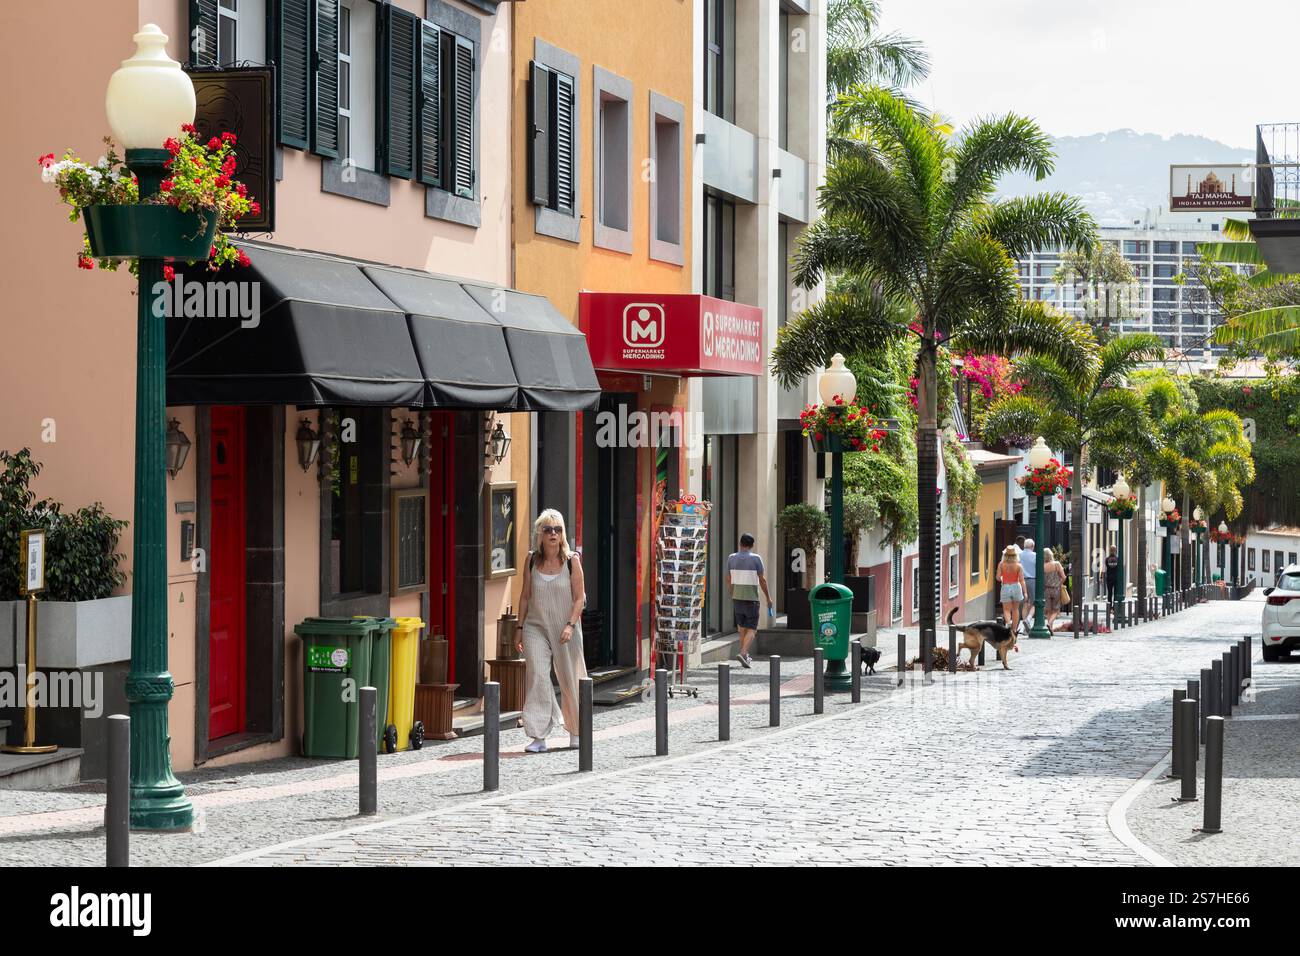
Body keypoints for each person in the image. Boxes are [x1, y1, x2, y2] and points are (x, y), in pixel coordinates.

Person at [516, 509, 588, 754]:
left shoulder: (571, 561)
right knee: (537, 675)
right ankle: (538, 735)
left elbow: (580, 598)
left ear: (563, 534)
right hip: (535, 627)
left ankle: (577, 730)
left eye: (557, 529)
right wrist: (519, 627)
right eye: (548, 529)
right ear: (540, 534)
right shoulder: (531, 560)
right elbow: (525, 596)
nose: (553, 534)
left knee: (571, 679)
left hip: (565, 627)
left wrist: (570, 624)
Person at [727, 533, 773, 668]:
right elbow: (762, 580)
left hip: (737, 598)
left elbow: (728, 578)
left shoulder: (731, 558)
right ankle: (743, 652)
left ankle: (745, 656)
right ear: (752, 545)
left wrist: (732, 593)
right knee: (752, 629)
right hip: (751, 599)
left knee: (742, 628)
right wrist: (768, 598)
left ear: (740, 543)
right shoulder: (756, 559)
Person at [997, 546, 1026, 636]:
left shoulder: (1001, 564)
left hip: (1006, 586)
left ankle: (1008, 622)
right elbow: (1021, 580)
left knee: (1006, 609)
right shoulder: (1018, 566)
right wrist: (1025, 592)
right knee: (1015, 609)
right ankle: (1014, 629)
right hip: (1016, 586)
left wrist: (1002, 578)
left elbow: (998, 578)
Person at [1042, 547, 1065, 626]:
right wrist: (1059, 584)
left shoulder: (1042, 566)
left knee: (1048, 610)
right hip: (1056, 590)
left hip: (1046, 590)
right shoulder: (1057, 564)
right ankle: (1050, 623)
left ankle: (1050, 628)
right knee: (1056, 610)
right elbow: (1063, 577)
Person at [1020, 537, 1037, 633]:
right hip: (1032, 580)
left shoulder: (1019, 555)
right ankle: (1028, 619)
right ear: (1032, 546)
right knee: (1035, 602)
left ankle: (1023, 628)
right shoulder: (1035, 555)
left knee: (1025, 603)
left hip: (1021, 581)